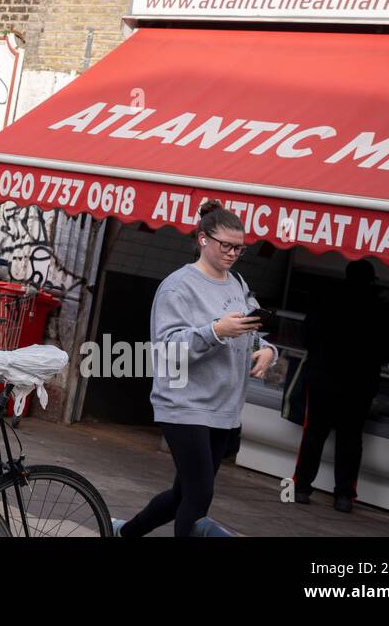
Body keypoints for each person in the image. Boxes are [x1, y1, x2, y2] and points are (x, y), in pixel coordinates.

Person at [115, 199, 278, 537]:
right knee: (200, 495)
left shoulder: (238, 284)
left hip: (223, 407)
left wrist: (267, 351)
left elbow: (252, 328)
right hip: (184, 404)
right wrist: (215, 331)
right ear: (203, 240)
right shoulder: (178, 286)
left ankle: (124, 534)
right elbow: (166, 348)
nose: (233, 254)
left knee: (182, 495)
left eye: (240, 249)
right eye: (227, 246)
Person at [292, 259, 389, 512]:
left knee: (314, 434)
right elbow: (387, 351)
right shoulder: (380, 307)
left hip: (322, 379)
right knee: (350, 440)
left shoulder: (325, 299)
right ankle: (343, 496)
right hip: (359, 385)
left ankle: (302, 488)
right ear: (371, 279)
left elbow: (305, 337)